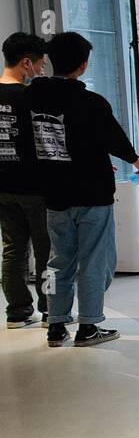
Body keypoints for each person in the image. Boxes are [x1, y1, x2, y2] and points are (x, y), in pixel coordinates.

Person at [29, 31, 139, 347]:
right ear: (83, 65)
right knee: (94, 261)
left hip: (54, 196)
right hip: (92, 195)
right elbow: (113, 139)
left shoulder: (31, 99)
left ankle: (56, 325)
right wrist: (137, 162)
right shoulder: (91, 102)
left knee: (58, 261)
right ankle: (88, 327)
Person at [0, 32, 49, 329]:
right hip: (34, 185)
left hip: (3, 187)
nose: (41, 72)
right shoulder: (30, 97)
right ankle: (49, 309)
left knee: (13, 248)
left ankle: (17, 312)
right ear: (26, 63)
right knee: (45, 249)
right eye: (40, 65)